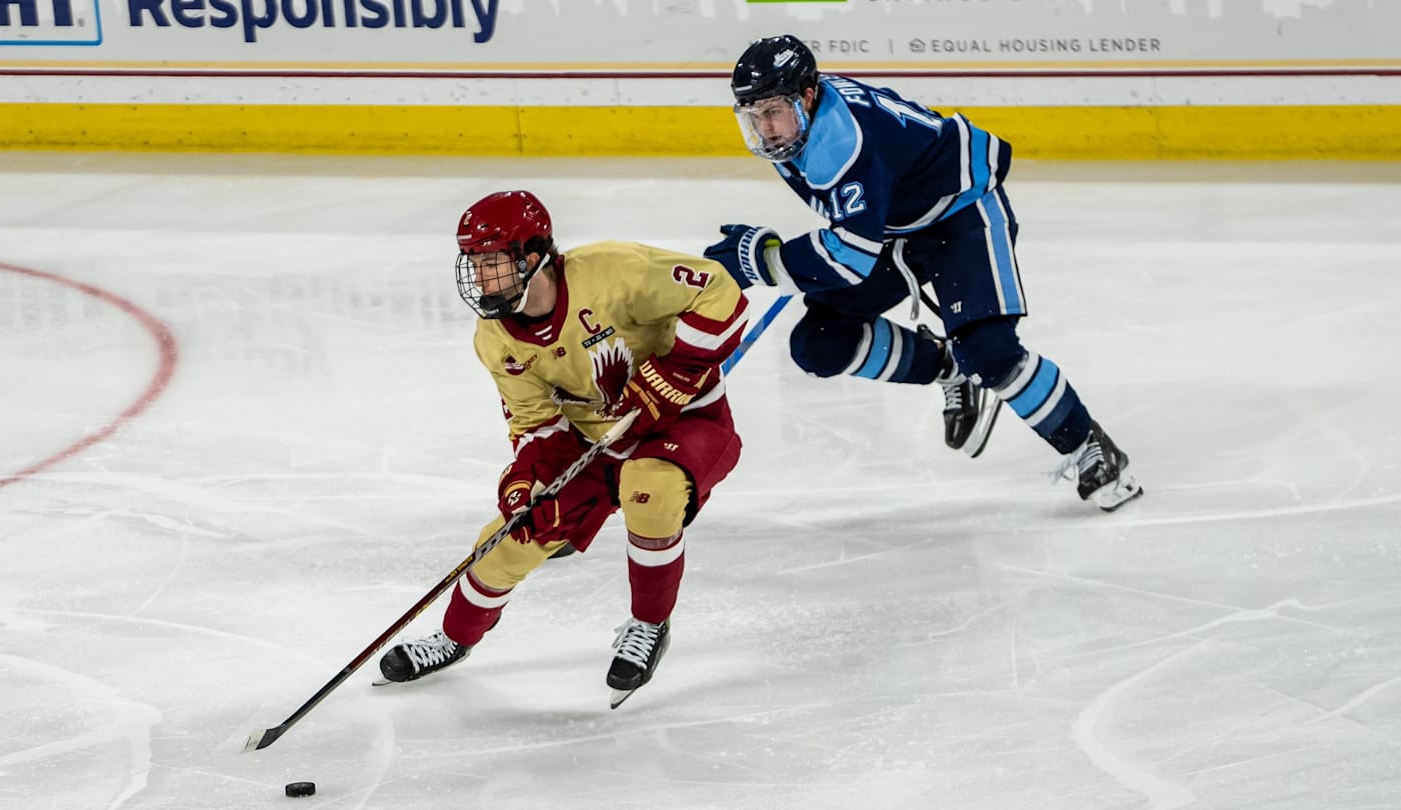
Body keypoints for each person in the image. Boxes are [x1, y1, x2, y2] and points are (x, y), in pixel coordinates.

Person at [703, 35, 1142, 511]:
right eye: (754, 115)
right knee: (820, 342)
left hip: (961, 210)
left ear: (806, 96)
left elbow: (849, 256)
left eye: (772, 111)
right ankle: (946, 366)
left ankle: (1089, 446)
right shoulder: (800, 130)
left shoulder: (842, 137)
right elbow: (854, 224)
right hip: (898, 229)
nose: (765, 128)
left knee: (990, 352)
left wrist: (762, 261)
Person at [377, 190, 749, 708]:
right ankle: (453, 639)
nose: (481, 278)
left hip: (688, 420)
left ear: (532, 258)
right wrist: (526, 481)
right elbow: (536, 424)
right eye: (475, 264)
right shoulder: (495, 338)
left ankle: (648, 626)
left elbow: (720, 292)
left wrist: (673, 374)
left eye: (493, 263)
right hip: (593, 446)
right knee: (508, 539)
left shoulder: (615, 271)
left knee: (652, 489)